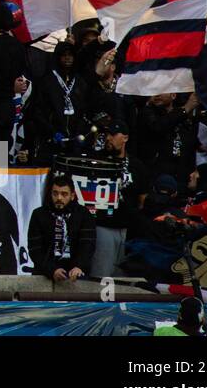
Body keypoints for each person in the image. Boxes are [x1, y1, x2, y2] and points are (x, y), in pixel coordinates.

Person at [90, 121, 148, 277]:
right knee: (101, 275)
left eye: (113, 134)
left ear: (125, 138)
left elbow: (143, 198)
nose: (108, 138)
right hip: (103, 225)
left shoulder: (136, 165)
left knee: (123, 279)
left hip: (128, 230)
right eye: (107, 135)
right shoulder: (97, 162)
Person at [28, 172, 96, 282]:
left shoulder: (84, 214)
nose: (59, 198)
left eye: (64, 194)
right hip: (44, 275)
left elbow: (87, 245)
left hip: (76, 275)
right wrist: (52, 270)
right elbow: (35, 249)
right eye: (55, 193)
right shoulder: (38, 214)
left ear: (72, 196)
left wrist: (79, 266)